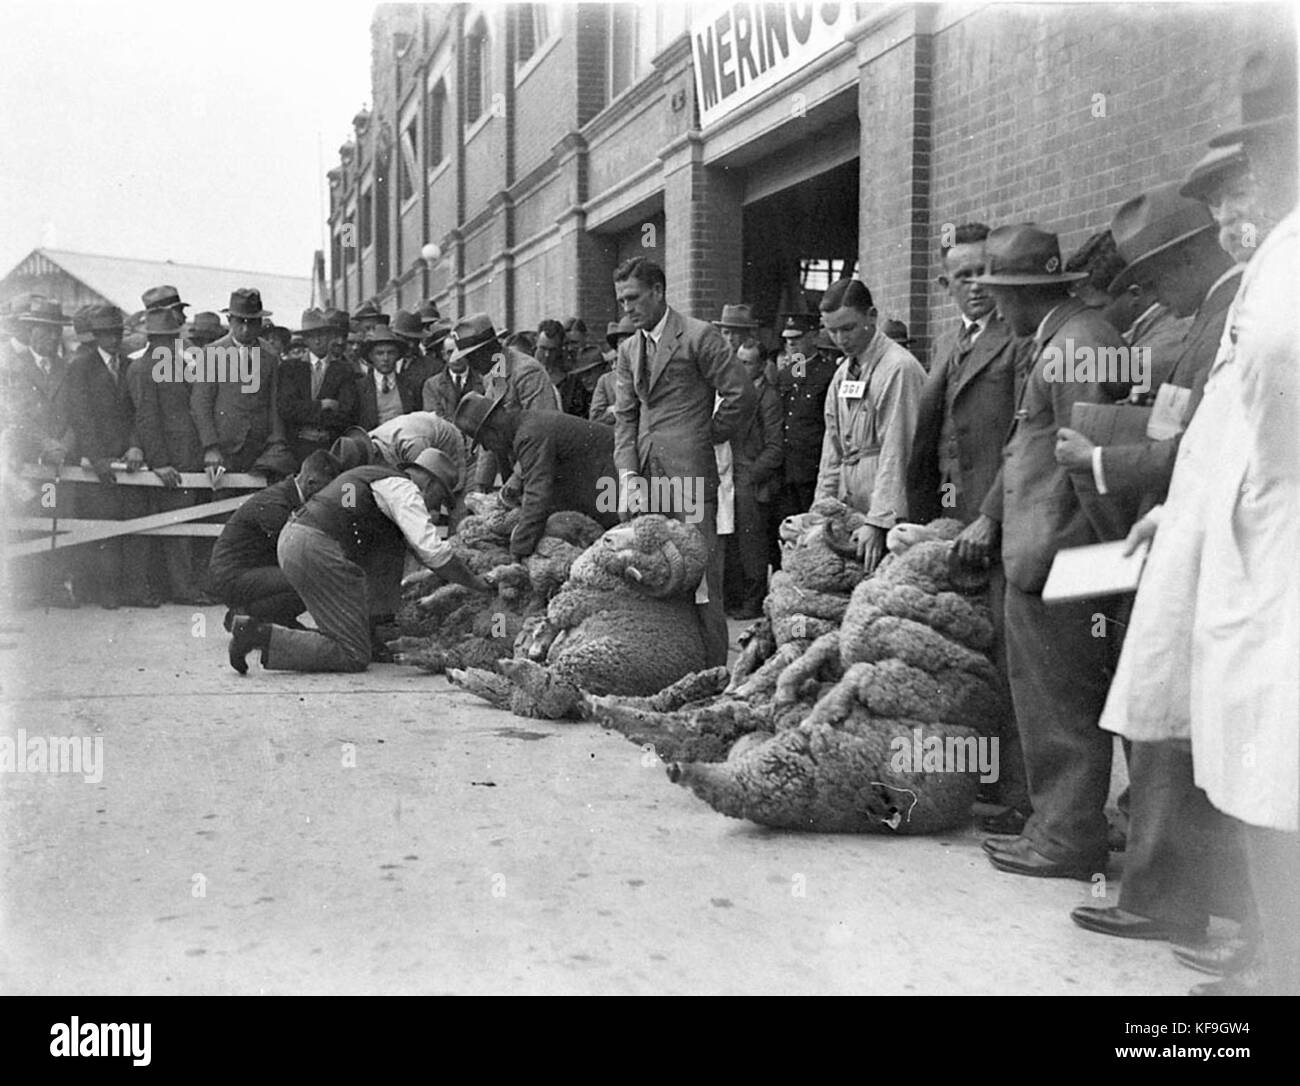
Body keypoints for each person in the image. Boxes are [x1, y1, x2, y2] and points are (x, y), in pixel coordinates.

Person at [1100, 48, 1299, 995]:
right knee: (1259, 764)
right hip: (1249, 540)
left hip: (1279, 550)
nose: (1240, 205)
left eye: (1257, 169)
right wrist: (1177, 517)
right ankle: (1273, 957)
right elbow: (1223, 425)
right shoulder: (1273, 264)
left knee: (1274, 760)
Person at [1061, 181, 1251, 952]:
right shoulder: (1211, 312)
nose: (1154, 300)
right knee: (1169, 717)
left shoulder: (1226, 317)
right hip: (1183, 527)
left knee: (1171, 721)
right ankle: (1171, 889)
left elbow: (1199, 445)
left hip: (1210, 543)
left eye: (1154, 280)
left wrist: (1104, 459)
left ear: (1186, 259)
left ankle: (1168, 894)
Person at [962, 225, 1128, 880]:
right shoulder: (1064, 338)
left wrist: (1108, 555)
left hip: (1064, 556)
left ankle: (1065, 840)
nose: (998, 307)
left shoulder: (1077, 344)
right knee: (1048, 701)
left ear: (1028, 294)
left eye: (1003, 293)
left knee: (1063, 705)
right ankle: (1054, 826)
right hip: (1049, 551)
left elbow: (1093, 463)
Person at [905, 221, 1028, 830]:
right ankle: (986, 777)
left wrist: (989, 515)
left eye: (984, 272)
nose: (975, 286)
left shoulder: (1019, 338)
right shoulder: (954, 343)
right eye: (962, 277)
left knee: (1011, 658)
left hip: (1000, 518)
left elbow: (1024, 439)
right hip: (955, 522)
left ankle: (1020, 795)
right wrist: (922, 520)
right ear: (946, 284)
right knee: (971, 654)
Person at [227, 448, 489, 674]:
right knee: (353, 653)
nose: (434, 508)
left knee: (348, 638)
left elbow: (381, 560)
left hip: (296, 537)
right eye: (438, 500)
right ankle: (257, 635)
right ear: (430, 484)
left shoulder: (376, 480)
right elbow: (433, 551)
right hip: (315, 544)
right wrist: (476, 583)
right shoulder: (404, 489)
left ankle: (257, 632)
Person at [611, 256, 755, 667]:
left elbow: (740, 395)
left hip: (690, 478)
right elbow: (625, 418)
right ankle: (663, 668)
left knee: (701, 578)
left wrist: (705, 435)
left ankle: (713, 673)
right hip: (643, 477)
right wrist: (627, 476)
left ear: (658, 291)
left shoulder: (698, 336)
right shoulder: (628, 350)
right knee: (647, 573)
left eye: (634, 298)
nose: (628, 308)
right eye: (622, 301)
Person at [814, 278, 925, 572]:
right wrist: (822, 508)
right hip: (851, 505)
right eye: (832, 330)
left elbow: (898, 448)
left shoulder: (898, 368)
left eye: (848, 328)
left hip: (889, 514)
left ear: (872, 316)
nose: (840, 339)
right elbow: (832, 449)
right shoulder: (842, 374)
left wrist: (879, 520)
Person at [453, 391, 619, 559]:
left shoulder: (530, 435)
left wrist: (518, 551)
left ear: (492, 431)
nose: (487, 449)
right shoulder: (528, 425)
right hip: (606, 487)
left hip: (614, 488)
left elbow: (538, 496)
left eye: (484, 442)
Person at [65, 304, 156, 608]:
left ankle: (131, 589)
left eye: (117, 333)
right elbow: (80, 416)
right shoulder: (81, 366)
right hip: (96, 463)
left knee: (131, 523)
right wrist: (97, 457)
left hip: (127, 460)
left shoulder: (130, 367)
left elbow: (137, 414)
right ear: (96, 336)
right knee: (100, 526)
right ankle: (103, 592)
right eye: (106, 334)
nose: (113, 339)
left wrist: (135, 446)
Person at [125, 306, 211, 604]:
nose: (172, 343)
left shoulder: (176, 364)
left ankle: (180, 586)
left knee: (184, 523)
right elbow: (145, 418)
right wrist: (160, 462)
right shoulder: (143, 368)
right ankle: (182, 589)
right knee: (176, 526)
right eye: (166, 338)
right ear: (154, 339)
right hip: (170, 459)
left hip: (188, 455)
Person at [208, 449, 341, 629]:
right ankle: (247, 617)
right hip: (232, 576)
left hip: (248, 571)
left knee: (309, 576)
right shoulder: (276, 504)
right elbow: (295, 552)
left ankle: (259, 618)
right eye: (326, 491)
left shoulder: (287, 495)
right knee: (308, 579)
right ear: (311, 483)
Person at [1, 296, 78, 608]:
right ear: (30, 330)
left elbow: (76, 414)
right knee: (28, 520)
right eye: (45, 330)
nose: (52, 337)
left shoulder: (65, 368)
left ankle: (57, 586)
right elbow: (14, 415)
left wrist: (65, 445)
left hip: (60, 461)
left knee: (59, 518)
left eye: (56, 331)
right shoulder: (12, 367)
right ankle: (27, 588)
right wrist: (45, 445)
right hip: (28, 460)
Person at [449, 312, 561, 491]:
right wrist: (481, 484)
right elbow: (487, 431)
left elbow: (544, 435)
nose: (469, 364)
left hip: (544, 472)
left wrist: (514, 484)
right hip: (520, 470)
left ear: (486, 349)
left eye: (471, 356)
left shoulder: (526, 373)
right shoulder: (494, 374)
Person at [190, 288, 282, 474]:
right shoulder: (212, 353)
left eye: (252, 322)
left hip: (259, 449)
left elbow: (274, 404)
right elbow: (201, 403)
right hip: (223, 450)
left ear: (260, 322)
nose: (246, 329)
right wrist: (211, 447)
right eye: (240, 322)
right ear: (229, 320)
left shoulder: (270, 356)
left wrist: (275, 444)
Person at [725, 338, 782, 619]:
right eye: (738, 360)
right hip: (730, 476)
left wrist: (751, 476)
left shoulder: (768, 397)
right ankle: (736, 596)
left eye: (747, 362)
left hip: (752, 481)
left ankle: (753, 600)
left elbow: (775, 448)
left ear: (761, 366)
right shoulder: (735, 392)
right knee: (733, 541)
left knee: (752, 546)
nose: (740, 367)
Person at [774, 313, 838, 548]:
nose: (791, 343)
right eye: (788, 339)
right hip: (786, 468)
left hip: (813, 467)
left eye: (797, 338)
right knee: (788, 532)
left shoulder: (829, 373)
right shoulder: (787, 374)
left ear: (814, 336)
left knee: (813, 531)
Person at [277, 308, 359, 467]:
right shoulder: (290, 369)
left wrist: (307, 414)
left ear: (331, 337)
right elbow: (286, 408)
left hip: (331, 446)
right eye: (312, 336)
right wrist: (322, 405)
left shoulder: (344, 370)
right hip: (297, 448)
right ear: (305, 339)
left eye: (323, 335)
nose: (318, 341)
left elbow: (347, 412)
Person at [356, 326, 419, 429]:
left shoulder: (411, 385)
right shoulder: (359, 387)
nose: (385, 358)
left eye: (390, 353)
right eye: (379, 353)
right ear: (371, 356)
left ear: (398, 356)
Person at [589, 315, 634, 425]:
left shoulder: (652, 373)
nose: (625, 349)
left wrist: (613, 409)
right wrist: (617, 410)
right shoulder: (606, 381)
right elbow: (595, 420)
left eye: (631, 343)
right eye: (621, 343)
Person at [390, 309, 441, 405]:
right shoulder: (385, 364)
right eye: (406, 339)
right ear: (395, 337)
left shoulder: (433, 368)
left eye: (415, 340)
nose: (411, 345)